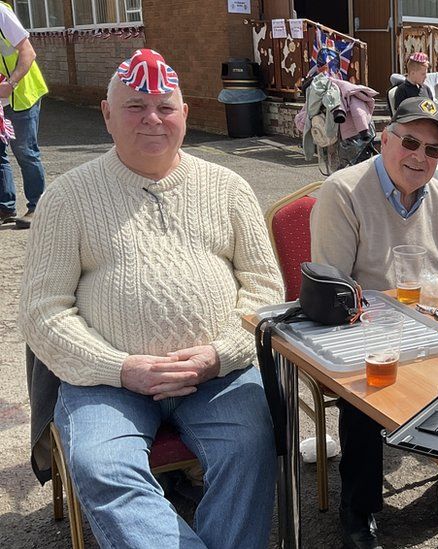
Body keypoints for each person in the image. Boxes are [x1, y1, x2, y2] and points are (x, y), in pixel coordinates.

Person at [18, 49, 284, 547]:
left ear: (185, 114)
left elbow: (265, 289)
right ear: (107, 115)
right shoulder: (68, 197)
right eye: (136, 106)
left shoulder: (229, 187)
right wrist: (119, 367)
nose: (152, 119)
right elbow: (42, 311)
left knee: (250, 448)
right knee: (102, 467)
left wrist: (220, 354)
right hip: (106, 381)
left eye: (165, 106)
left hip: (216, 373)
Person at [310, 97, 438, 549]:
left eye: (433, 150)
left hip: (430, 323)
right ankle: (357, 511)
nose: (420, 157)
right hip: (363, 328)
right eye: (411, 142)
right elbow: (333, 288)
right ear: (384, 139)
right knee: (366, 393)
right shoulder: (343, 191)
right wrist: (388, 323)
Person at [0, 1, 47, 228]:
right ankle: (5, 207)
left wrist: (11, 82)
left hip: (21, 94)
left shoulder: (1, 13)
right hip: (1, 98)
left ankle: (37, 207)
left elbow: (28, 51)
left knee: (25, 151)